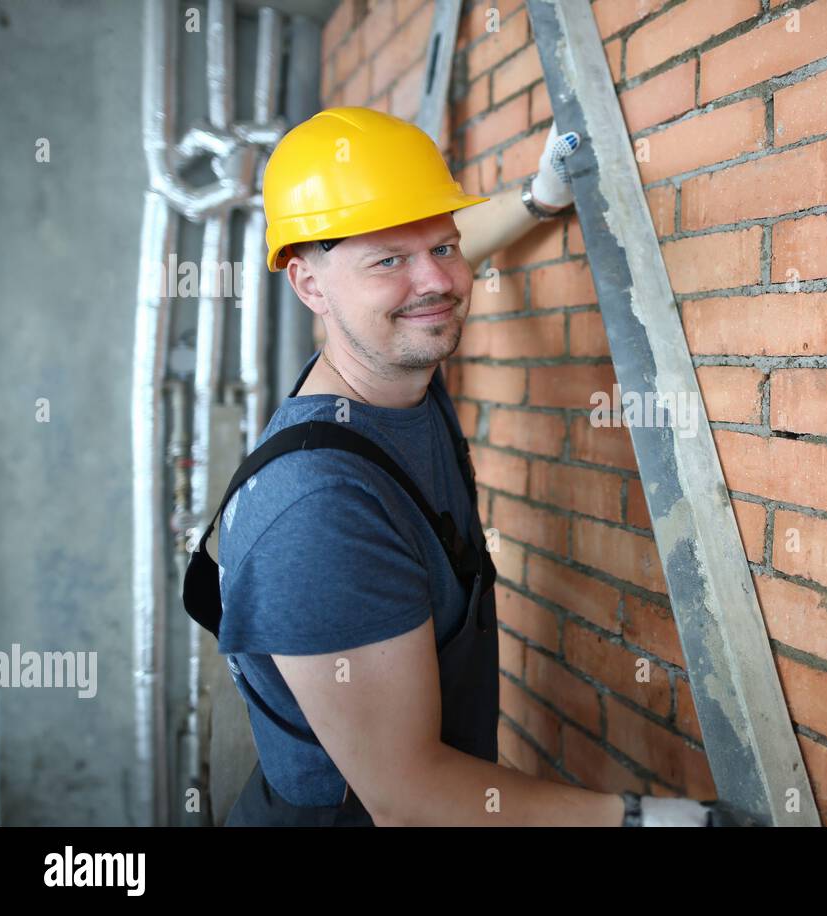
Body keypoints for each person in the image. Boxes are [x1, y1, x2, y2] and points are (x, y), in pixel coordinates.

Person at [216, 107, 739, 827]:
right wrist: (639, 819)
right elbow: (407, 796)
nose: (436, 282)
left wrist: (539, 199)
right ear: (309, 285)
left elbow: (427, 268)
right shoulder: (318, 511)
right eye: (388, 261)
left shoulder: (381, 371)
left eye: (446, 247)